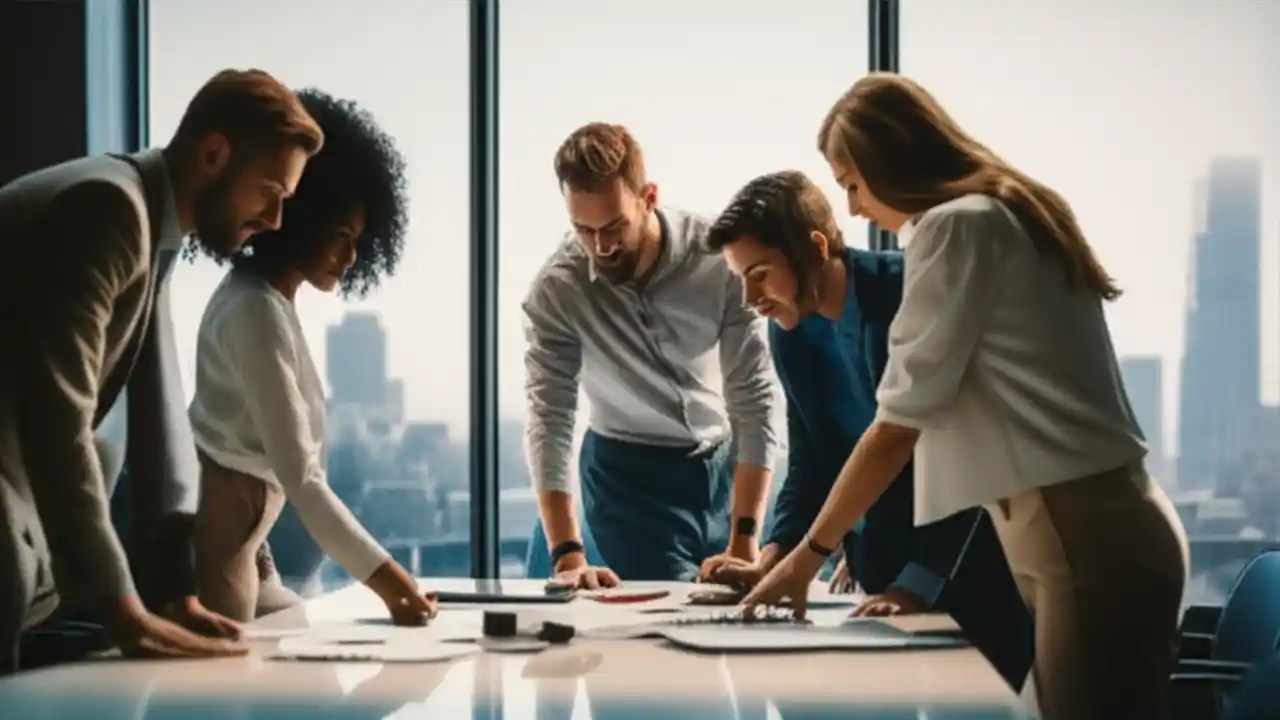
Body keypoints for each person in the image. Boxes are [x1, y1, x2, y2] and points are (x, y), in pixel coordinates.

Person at [740, 73, 1189, 719]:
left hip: (1079, 532)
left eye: (853, 184)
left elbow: (898, 425)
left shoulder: (956, 229)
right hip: (1083, 526)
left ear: (890, 159)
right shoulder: (1004, 212)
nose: (856, 210)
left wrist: (805, 560)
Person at [0, 68, 323, 671]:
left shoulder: (149, 223)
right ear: (214, 154)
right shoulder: (109, 210)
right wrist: (125, 608)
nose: (275, 219)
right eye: (270, 193)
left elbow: (159, 425)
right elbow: (57, 426)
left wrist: (175, 596)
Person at [703, 169, 1033, 690]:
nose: (750, 296)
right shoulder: (790, 330)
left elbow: (968, 453)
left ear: (814, 247)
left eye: (760, 273)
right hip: (881, 581)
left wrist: (917, 584)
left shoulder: (911, 294)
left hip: (972, 570)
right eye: (741, 277)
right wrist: (776, 559)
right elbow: (812, 458)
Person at [187, 89, 437, 626]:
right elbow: (301, 476)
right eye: (341, 235)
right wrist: (391, 582)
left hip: (252, 551)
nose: (351, 257)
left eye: (359, 241)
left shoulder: (267, 301)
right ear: (301, 218)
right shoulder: (254, 310)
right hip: (218, 553)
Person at [523, 122, 782, 585]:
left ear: (649, 197)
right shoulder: (558, 291)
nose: (601, 247)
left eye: (615, 226)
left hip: (724, 466)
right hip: (628, 481)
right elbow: (550, 420)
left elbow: (753, 397)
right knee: (673, 615)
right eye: (583, 229)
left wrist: (745, 535)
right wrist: (566, 554)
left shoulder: (718, 260)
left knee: (747, 599)